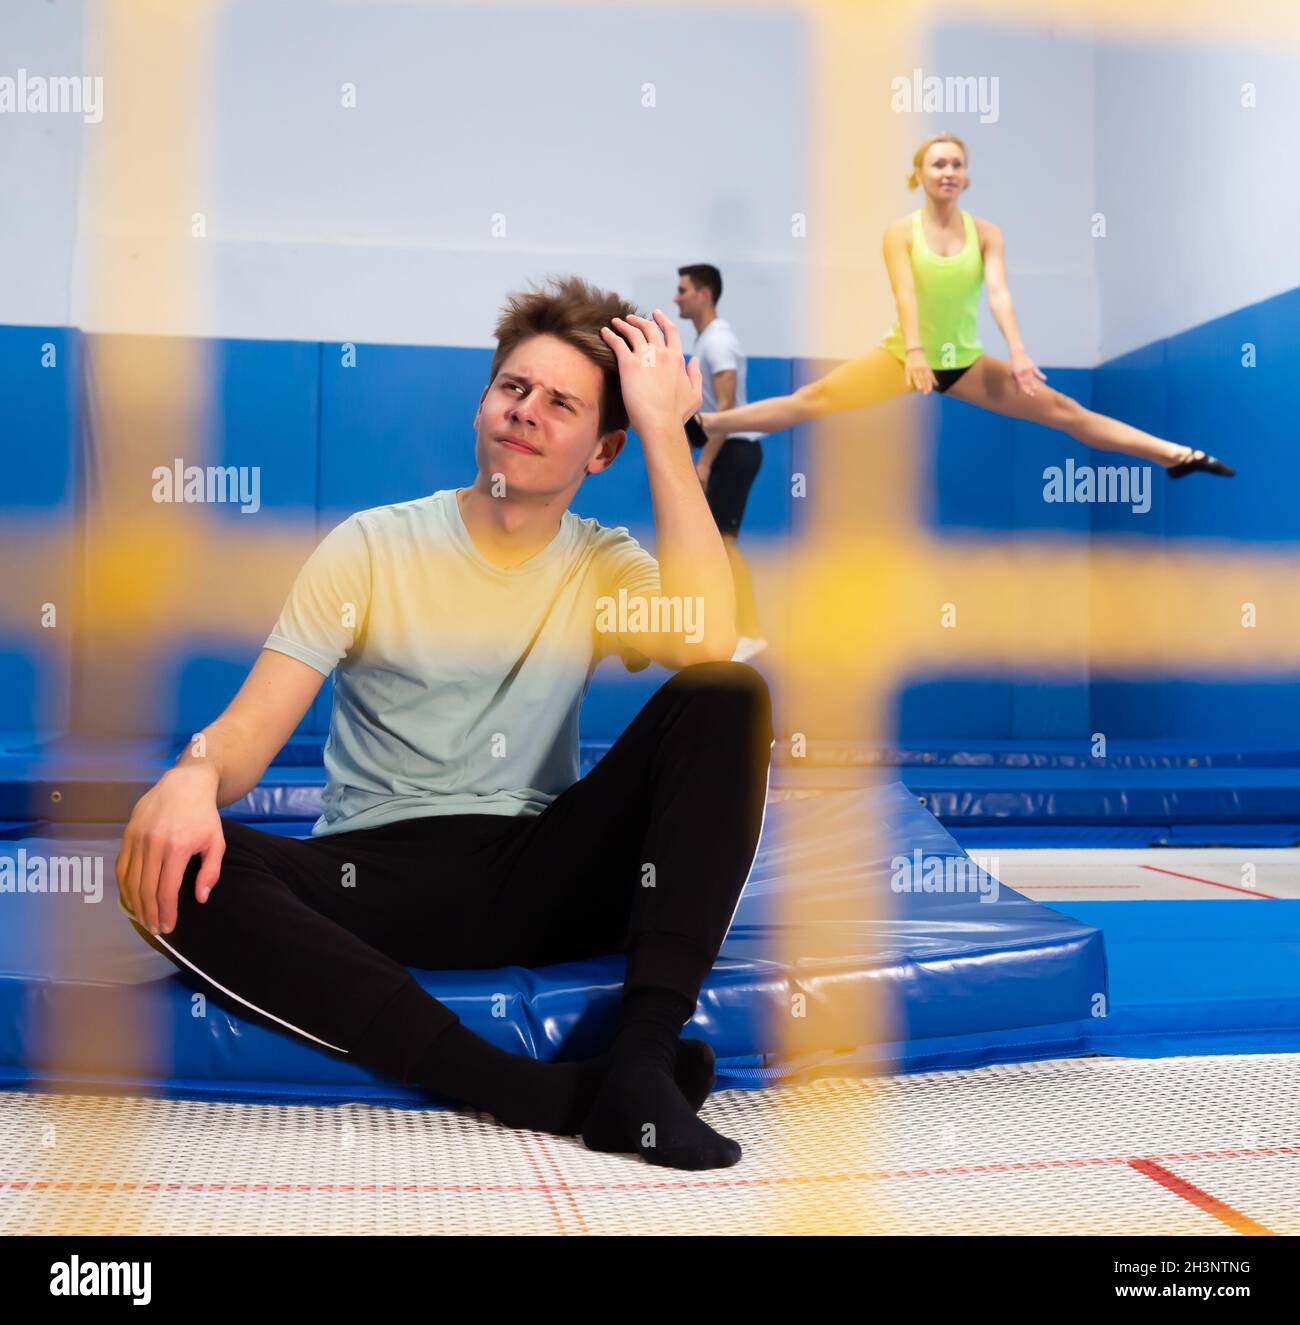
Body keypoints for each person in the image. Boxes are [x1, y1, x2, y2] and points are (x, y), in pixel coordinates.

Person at [115, 276, 773, 1172]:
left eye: (561, 403)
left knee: (729, 693)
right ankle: (532, 1090)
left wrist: (667, 428)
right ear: (482, 403)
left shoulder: (602, 562)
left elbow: (708, 639)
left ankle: (642, 1059)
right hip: (377, 881)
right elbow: (244, 734)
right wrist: (190, 775)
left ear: (602, 450)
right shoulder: (372, 544)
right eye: (513, 387)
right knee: (178, 864)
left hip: (542, 871)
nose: (527, 411)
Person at [697, 134, 1234, 480]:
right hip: (904, 357)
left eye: (957, 163)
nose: (948, 171)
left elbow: (998, 293)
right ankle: (708, 423)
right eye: (937, 163)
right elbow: (905, 291)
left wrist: (1020, 353)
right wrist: (911, 352)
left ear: (966, 176)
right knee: (812, 400)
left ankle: (1174, 454)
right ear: (920, 174)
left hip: (965, 361)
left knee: (1066, 412)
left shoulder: (987, 233)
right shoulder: (898, 233)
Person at [674, 264, 767, 662]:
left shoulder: (718, 343)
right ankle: (727, 627)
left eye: (683, 290)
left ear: (704, 293)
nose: (676, 296)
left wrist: (706, 461)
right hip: (726, 449)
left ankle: (749, 632)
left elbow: (726, 407)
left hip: (734, 452)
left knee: (724, 544)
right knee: (715, 544)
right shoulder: (708, 340)